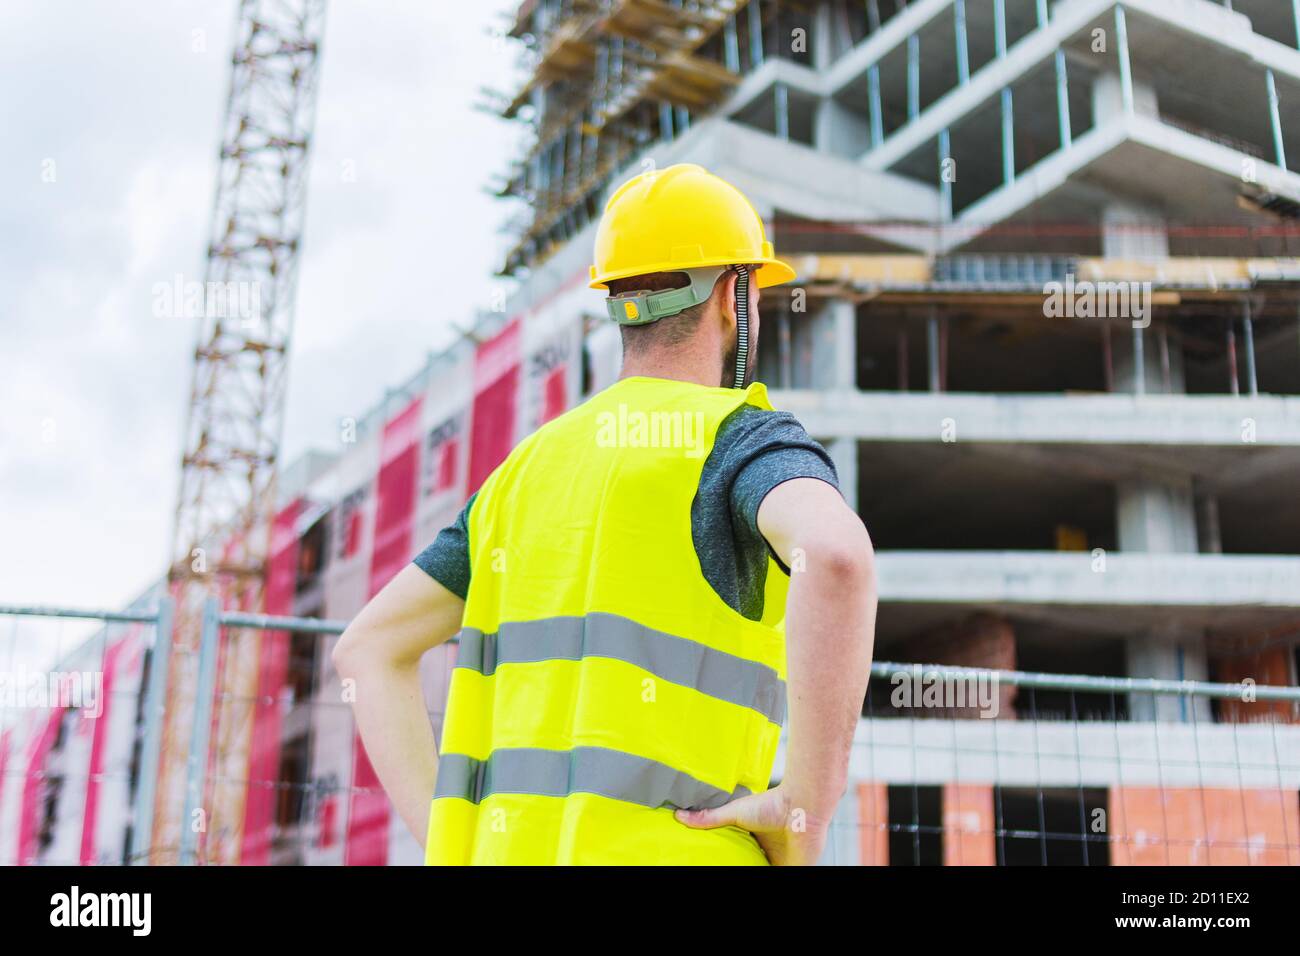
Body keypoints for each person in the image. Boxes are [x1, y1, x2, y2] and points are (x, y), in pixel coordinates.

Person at [333, 163, 877, 865]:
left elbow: (367, 650)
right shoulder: (737, 438)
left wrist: (452, 847)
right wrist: (803, 810)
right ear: (731, 300)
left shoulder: (522, 474)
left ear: (618, 305)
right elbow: (836, 557)